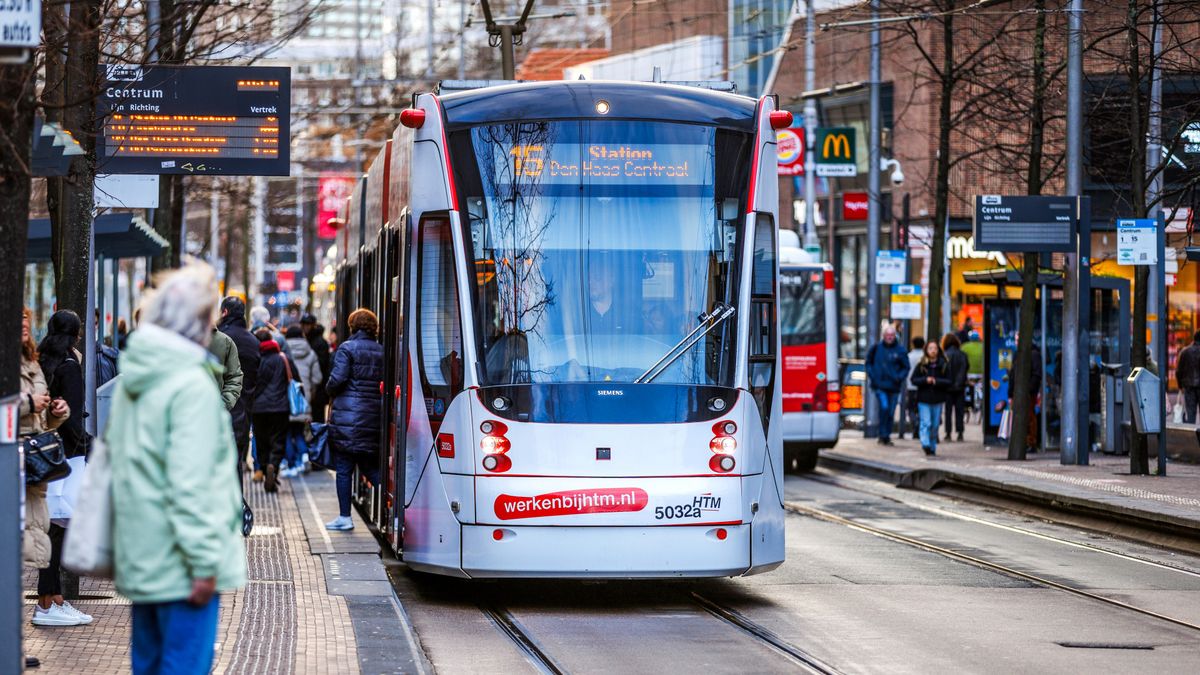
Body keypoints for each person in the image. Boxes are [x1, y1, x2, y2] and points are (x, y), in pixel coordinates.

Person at [106, 263, 246, 675]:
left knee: (148, 664)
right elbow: (192, 481)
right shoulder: (191, 387)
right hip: (182, 563)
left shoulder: (139, 378)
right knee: (184, 664)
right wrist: (204, 562)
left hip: (143, 554)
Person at [34, 310, 95, 627]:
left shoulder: (43, 359)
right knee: (58, 529)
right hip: (67, 455)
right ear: (76, 334)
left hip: (45, 452)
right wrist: (88, 443)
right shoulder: (70, 366)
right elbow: (70, 416)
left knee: (52, 527)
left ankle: (54, 598)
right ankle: (48, 602)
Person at [20, 309, 77, 632]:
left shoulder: (32, 361)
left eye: (28, 324)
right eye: (19, 325)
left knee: (35, 537)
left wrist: (57, 412)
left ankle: (17, 638)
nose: (25, 329)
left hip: (33, 467)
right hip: (16, 462)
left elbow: (42, 417)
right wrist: (30, 404)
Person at [325, 308, 384, 531]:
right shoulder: (381, 351)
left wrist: (329, 388)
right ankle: (401, 507)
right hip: (372, 418)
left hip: (347, 419)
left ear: (352, 326)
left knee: (344, 468)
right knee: (370, 467)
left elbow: (337, 379)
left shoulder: (347, 348)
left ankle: (344, 517)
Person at [218, 297, 261, 481]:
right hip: (244, 410)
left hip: (219, 409)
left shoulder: (219, 338)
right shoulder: (253, 340)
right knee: (235, 464)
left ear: (225, 312)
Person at [252, 329, 292, 493]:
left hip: (258, 408)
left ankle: (263, 466)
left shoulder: (254, 360)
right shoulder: (282, 358)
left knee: (261, 441)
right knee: (278, 440)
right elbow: (294, 379)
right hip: (279, 407)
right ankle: (273, 466)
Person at [284, 325, 320, 476]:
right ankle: (304, 455)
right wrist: (310, 390)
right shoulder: (310, 353)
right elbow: (318, 377)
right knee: (299, 432)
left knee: (287, 433)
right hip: (303, 399)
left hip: (287, 398)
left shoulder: (284, 353)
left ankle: (292, 464)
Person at [865, 325, 910, 446]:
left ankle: (886, 435)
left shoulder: (900, 350)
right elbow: (868, 362)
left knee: (890, 411)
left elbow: (906, 367)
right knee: (884, 408)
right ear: (883, 336)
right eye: (887, 335)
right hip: (880, 385)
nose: (889, 338)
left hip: (894, 386)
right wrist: (873, 376)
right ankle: (882, 434)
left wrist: (899, 377)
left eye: (891, 335)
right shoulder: (876, 348)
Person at [912, 339, 951, 456]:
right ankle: (925, 444)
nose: (933, 351)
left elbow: (949, 381)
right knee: (926, 423)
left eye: (935, 348)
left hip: (938, 399)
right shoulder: (922, 365)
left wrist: (936, 381)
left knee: (934, 425)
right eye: (930, 348)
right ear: (926, 350)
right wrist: (925, 380)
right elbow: (913, 379)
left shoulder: (943, 365)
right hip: (924, 399)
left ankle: (932, 447)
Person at [301, 314, 331, 424]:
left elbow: (322, 365)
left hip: (318, 388)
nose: (305, 327)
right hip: (311, 386)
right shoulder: (307, 340)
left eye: (308, 324)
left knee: (317, 418)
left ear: (313, 325)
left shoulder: (320, 342)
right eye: (304, 324)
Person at [207, 326, 244, 412]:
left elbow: (235, 377)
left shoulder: (224, 341)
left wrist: (222, 405)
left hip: (213, 413)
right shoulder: (176, 338)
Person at [942, 333, 969, 442]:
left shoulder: (945, 355)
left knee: (948, 411)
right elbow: (965, 368)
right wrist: (960, 382)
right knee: (959, 411)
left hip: (947, 387)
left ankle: (948, 433)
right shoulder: (962, 355)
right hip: (960, 387)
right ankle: (960, 432)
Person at [899, 337, 925, 440]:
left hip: (911, 386)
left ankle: (915, 424)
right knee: (921, 408)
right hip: (923, 387)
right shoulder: (924, 357)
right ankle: (918, 425)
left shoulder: (909, 356)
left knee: (911, 408)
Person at [1176, 331, 1200, 423]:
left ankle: (1191, 434)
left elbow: (1179, 371)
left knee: (1190, 413)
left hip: (1189, 386)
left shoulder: (1185, 352)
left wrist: (1180, 386)